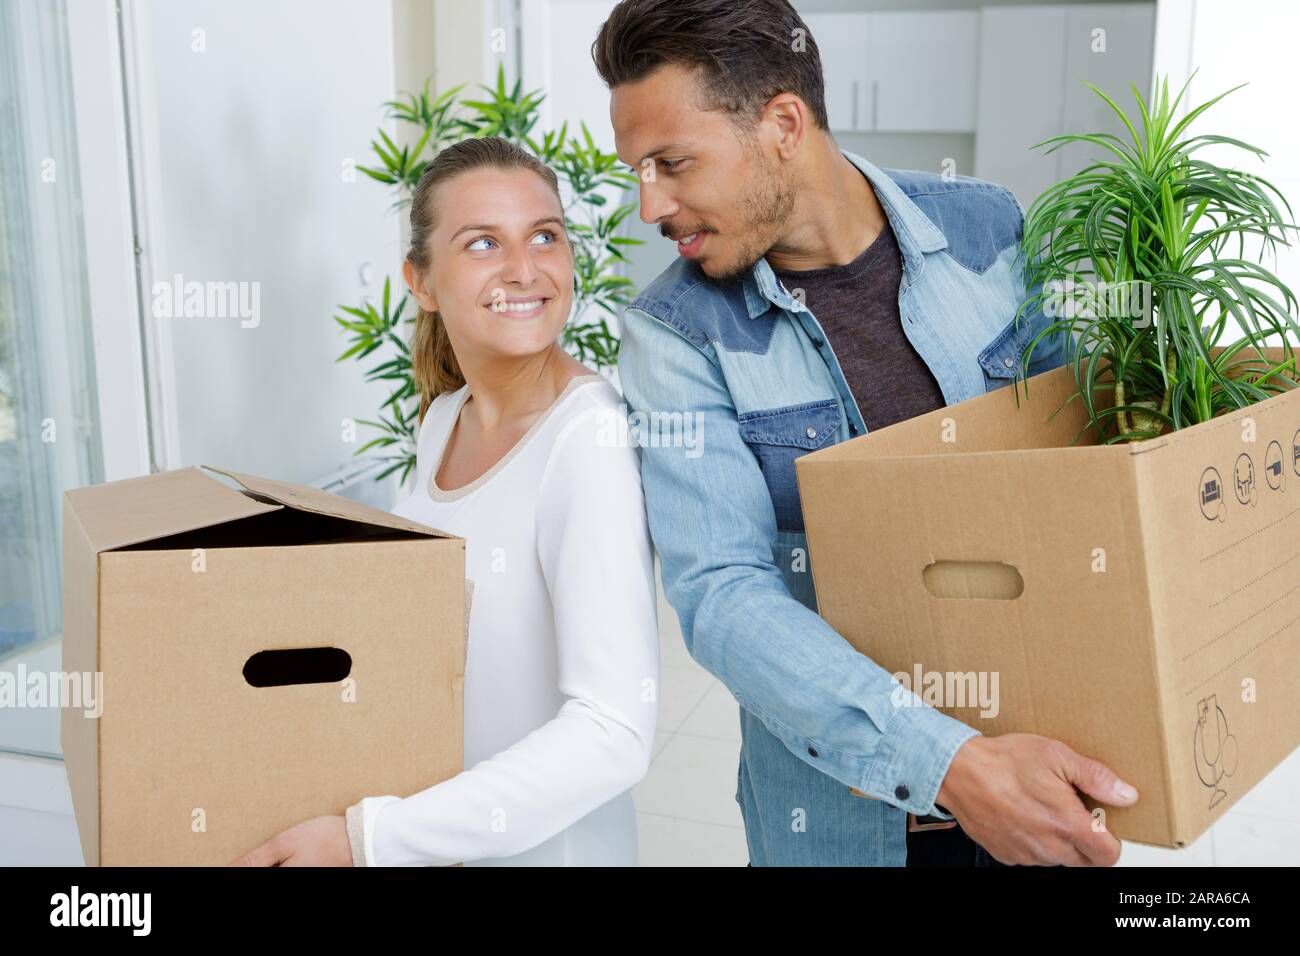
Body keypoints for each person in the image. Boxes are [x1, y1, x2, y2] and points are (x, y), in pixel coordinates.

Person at [593, 0, 1139, 866]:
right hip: (852, 829)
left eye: (672, 162)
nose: (649, 202)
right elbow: (724, 594)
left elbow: (1084, 466)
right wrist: (950, 763)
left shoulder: (987, 228)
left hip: (1052, 783)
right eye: (639, 169)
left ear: (781, 123)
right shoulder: (674, 332)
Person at [233, 136, 659, 867]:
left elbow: (612, 732)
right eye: (483, 243)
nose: (524, 269)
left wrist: (371, 840)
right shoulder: (442, 422)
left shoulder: (586, 440)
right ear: (422, 282)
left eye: (545, 236)